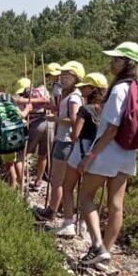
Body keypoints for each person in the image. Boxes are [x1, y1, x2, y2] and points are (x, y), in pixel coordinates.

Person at [77, 42, 138, 267]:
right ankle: (105, 254)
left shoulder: (119, 89)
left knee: (85, 196)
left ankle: (98, 246)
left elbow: (112, 128)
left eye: (116, 59)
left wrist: (90, 156)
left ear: (127, 63)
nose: (111, 63)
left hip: (108, 152)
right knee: (116, 204)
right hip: (128, 153)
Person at [53, 72, 108, 237]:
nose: (81, 89)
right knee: (88, 194)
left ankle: (68, 223)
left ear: (92, 89)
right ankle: (84, 225)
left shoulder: (85, 109)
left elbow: (75, 135)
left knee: (68, 187)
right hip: (98, 153)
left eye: (84, 87)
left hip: (80, 151)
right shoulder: (105, 109)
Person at [37, 61, 85, 221]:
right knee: (60, 180)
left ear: (76, 77)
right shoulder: (69, 94)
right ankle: (60, 209)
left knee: (57, 180)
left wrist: (55, 118)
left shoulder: (74, 97)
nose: (63, 78)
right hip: (64, 139)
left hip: (66, 141)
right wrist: (55, 109)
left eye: (67, 75)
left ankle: (51, 211)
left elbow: (73, 119)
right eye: (62, 74)